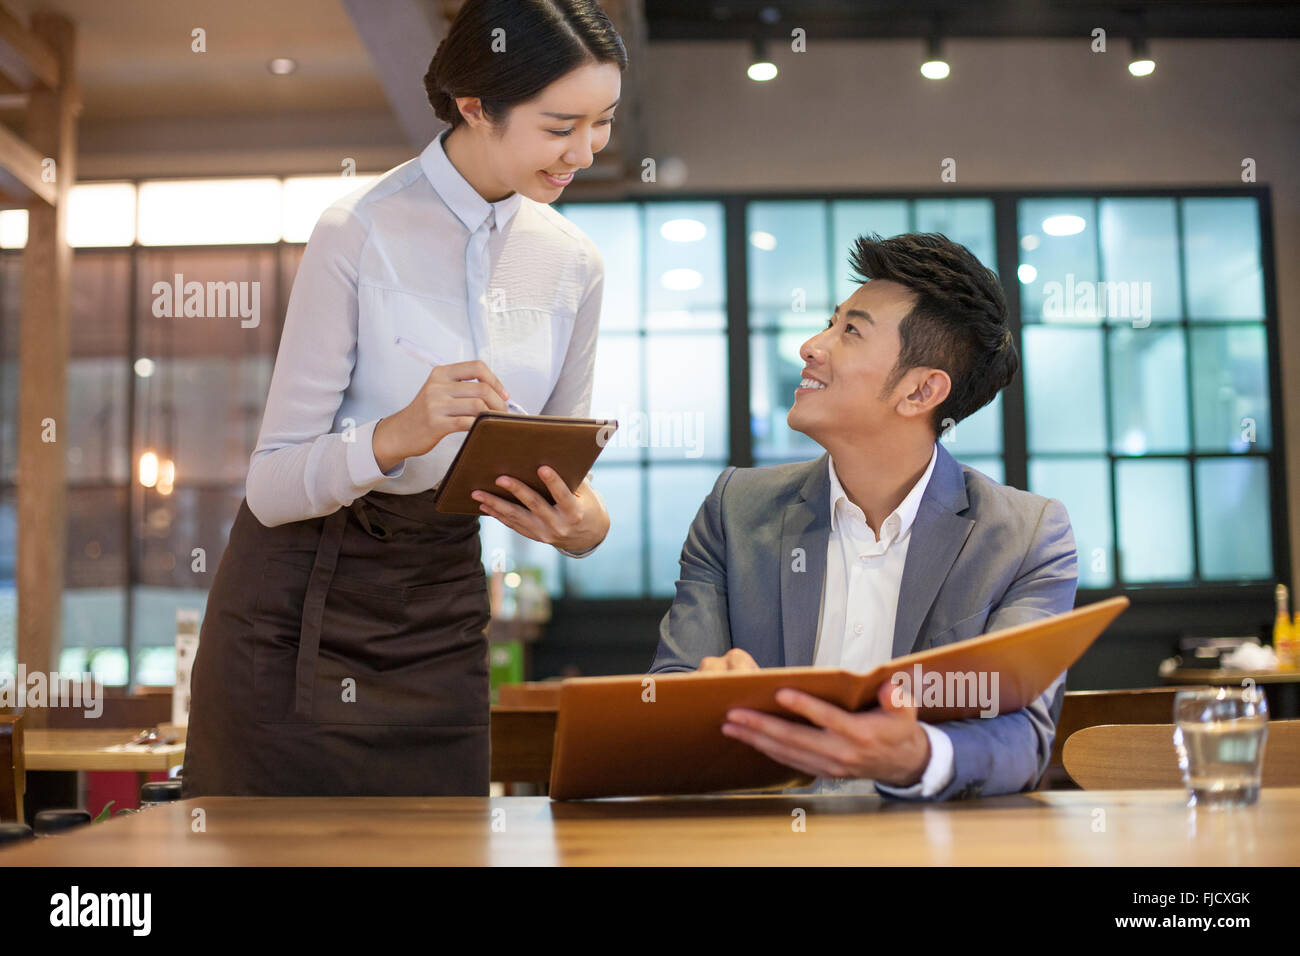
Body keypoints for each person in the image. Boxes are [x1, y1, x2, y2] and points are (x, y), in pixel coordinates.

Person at [182, 0, 626, 798]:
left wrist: (582, 527)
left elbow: (567, 475)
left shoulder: (574, 264)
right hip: (297, 593)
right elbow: (273, 485)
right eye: (561, 127)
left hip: (440, 596)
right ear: (475, 107)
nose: (586, 152)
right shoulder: (359, 229)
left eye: (603, 123)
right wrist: (396, 434)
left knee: (444, 843)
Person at [650, 232, 1079, 801]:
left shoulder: (1025, 537)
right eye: (830, 322)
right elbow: (666, 691)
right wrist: (701, 700)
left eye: (850, 331)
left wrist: (915, 756)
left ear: (920, 390)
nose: (810, 345)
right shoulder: (734, 511)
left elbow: (1022, 738)